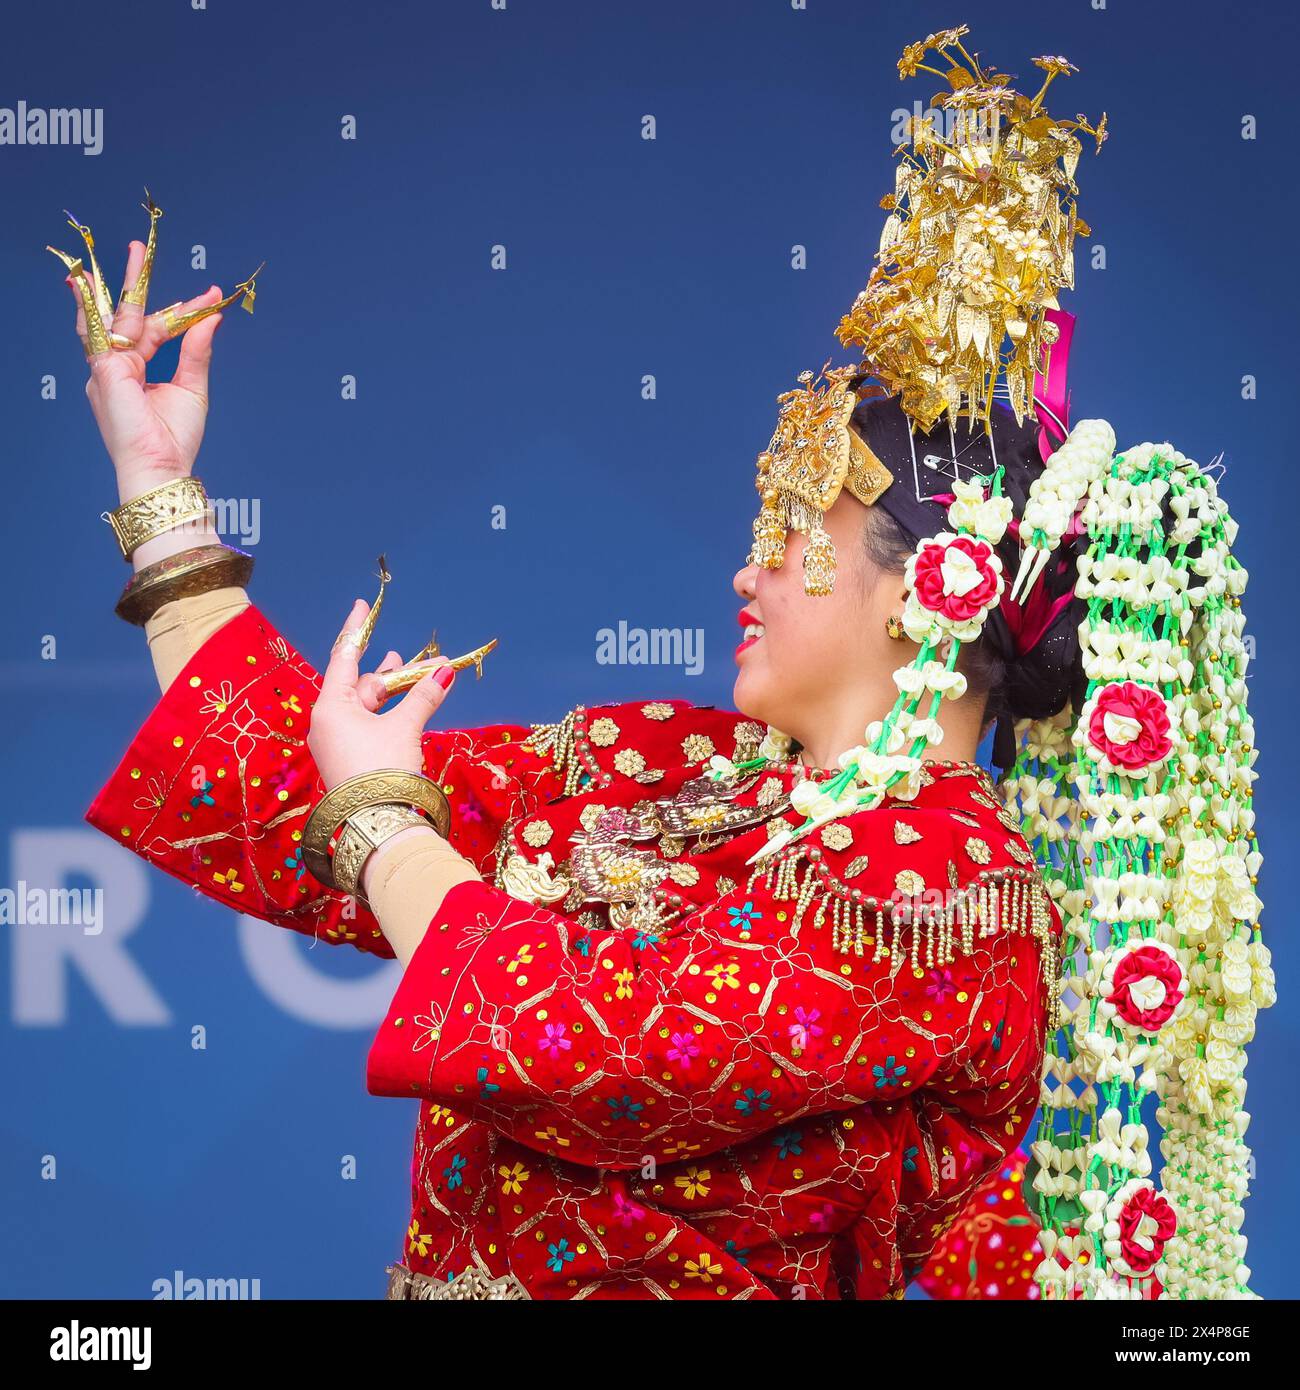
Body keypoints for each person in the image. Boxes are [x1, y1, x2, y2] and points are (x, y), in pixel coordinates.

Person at [65, 28, 1270, 1302]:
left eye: (793, 537)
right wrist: (162, 495)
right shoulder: (687, 767)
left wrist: (385, 827)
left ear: (930, 590)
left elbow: (597, 1050)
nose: (745, 574)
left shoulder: (940, 885)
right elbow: (272, 792)